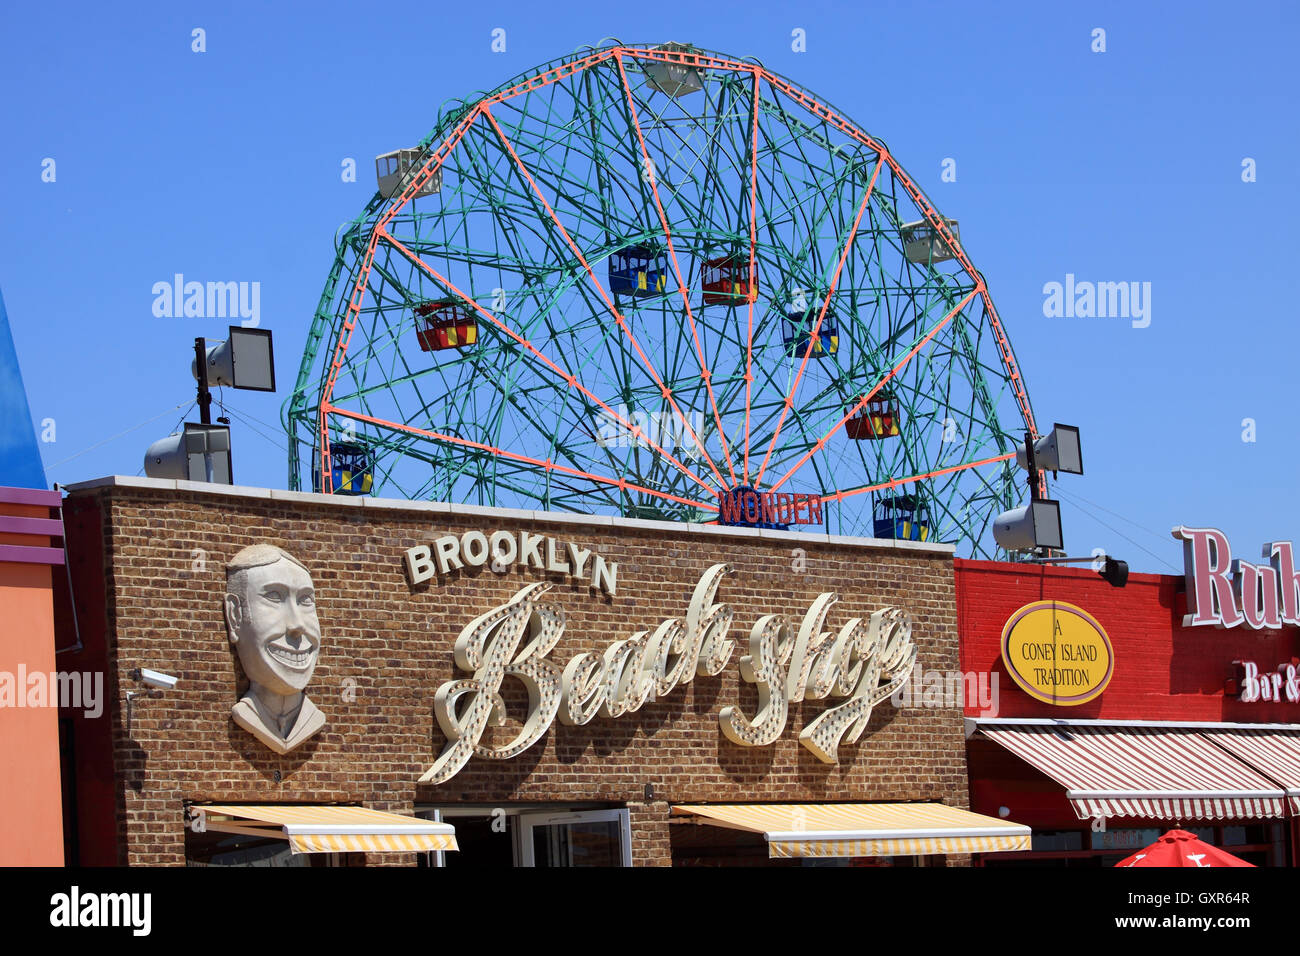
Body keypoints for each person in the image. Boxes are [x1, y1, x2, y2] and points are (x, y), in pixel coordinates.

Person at [223, 544, 325, 755]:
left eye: (305, 600)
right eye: (274, 597)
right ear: (235, 616)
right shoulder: (244, 715)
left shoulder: (313, 720)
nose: (297, 625)